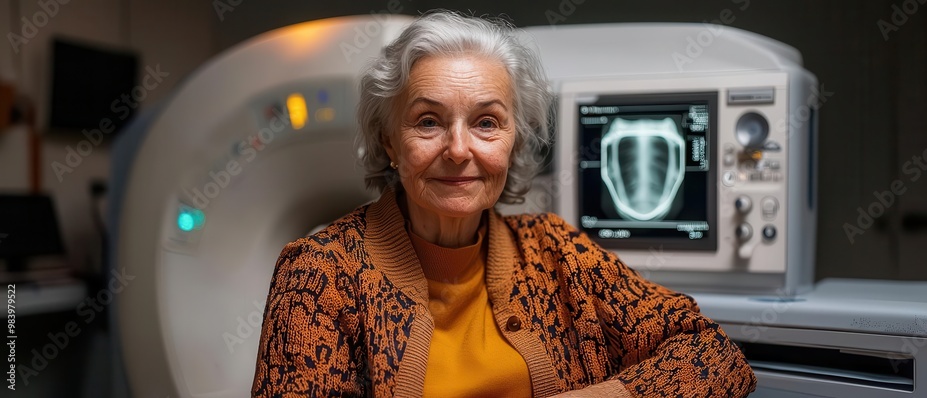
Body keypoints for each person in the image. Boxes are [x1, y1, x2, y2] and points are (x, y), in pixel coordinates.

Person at [253, 10, 755, 398]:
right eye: (428, 121)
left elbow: (715, 356)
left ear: (514, 141)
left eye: (486, 122)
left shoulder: (557, 251)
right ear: (389, 141)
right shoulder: (319, 272)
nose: (458, 148)